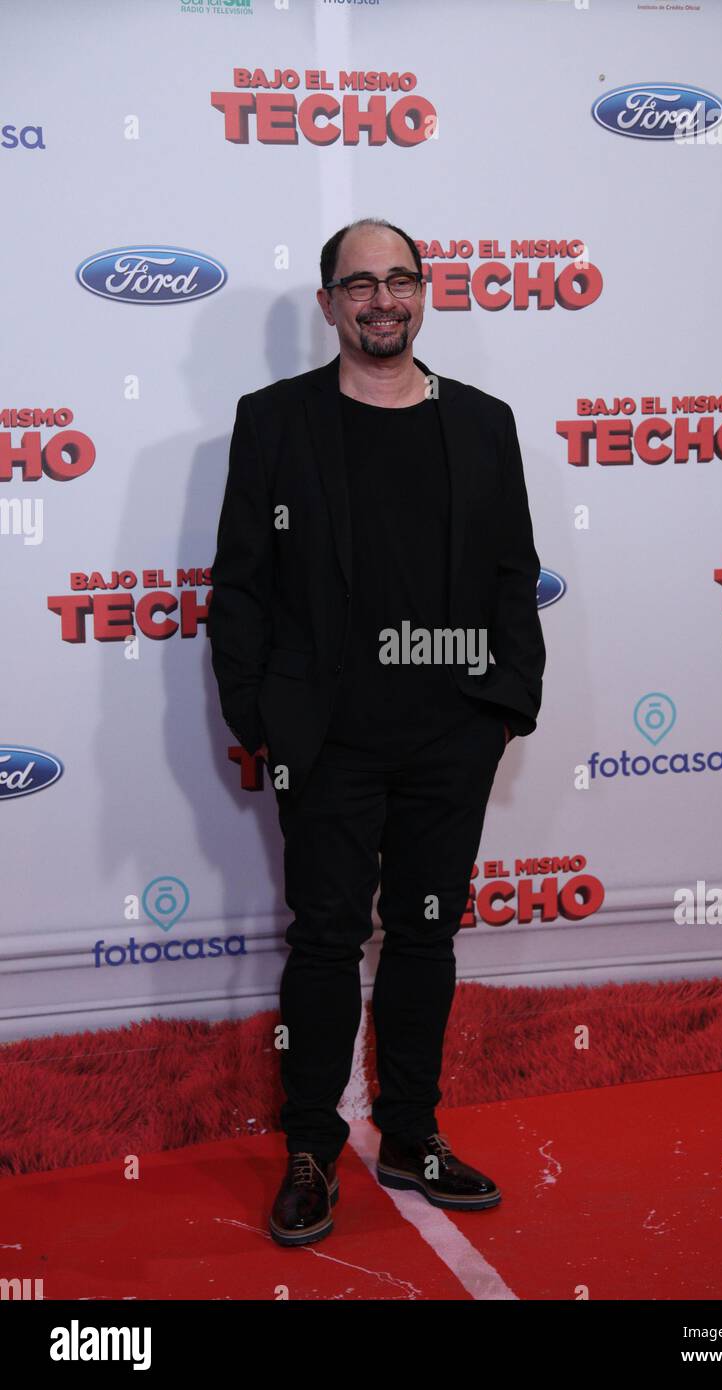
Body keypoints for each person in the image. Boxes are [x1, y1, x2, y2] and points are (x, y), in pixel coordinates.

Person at [208, 217, 545, 1246]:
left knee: (425, 933)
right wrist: (263, 720)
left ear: (424, 292)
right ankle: (311, 1145)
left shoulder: (482, 421)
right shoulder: (274, 421)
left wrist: (499, 712)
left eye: (399, 279)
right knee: (321, 940)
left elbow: (508, 577)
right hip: (329, 742)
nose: (381, 300)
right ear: (328, 305)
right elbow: (241, 588)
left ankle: (409, 1133)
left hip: (448, 734)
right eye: (359, 284)